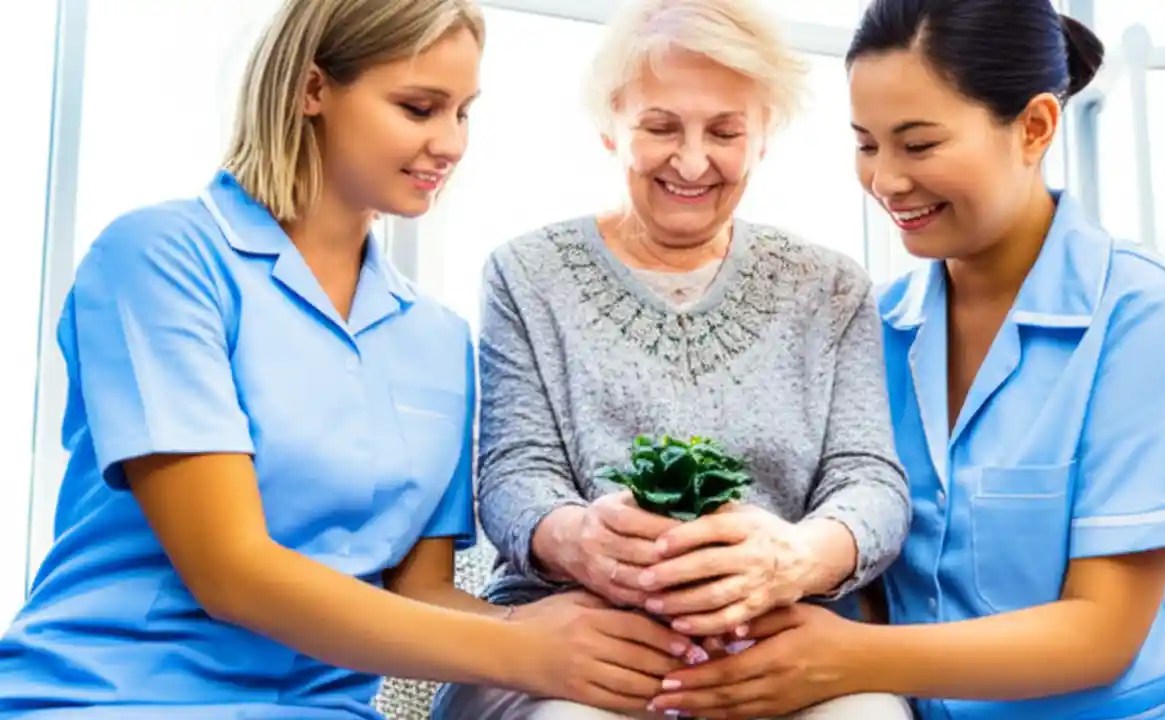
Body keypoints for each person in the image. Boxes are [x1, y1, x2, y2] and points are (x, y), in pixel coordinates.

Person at [0, 1, 698, 717]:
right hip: (115, 693)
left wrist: (626, 647)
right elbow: (229, 571)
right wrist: (526, 647)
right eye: (419, 107)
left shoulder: (436, 337)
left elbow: (420, 592)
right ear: (312, 91)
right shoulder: (160, 260)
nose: (450, 142)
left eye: (463, 113)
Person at [645, 1, 1165, 718]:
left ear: (1034, 127)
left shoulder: (1137, 308)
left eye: (918, 145)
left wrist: (840, 657)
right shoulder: (873, 327)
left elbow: (1102, 633)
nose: (886, 180)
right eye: (866, 145)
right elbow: (861, 571)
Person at [431, 1, 914, 718]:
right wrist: (580, 539)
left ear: (763, 137)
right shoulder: (526, 274)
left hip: (775, 643)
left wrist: (794, 557)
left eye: (725, 131)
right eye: (660, 128)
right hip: (575, 638)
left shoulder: (831, 286)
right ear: (610, 126)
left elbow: (869, 480)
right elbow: (512, 476)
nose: (692, 161)